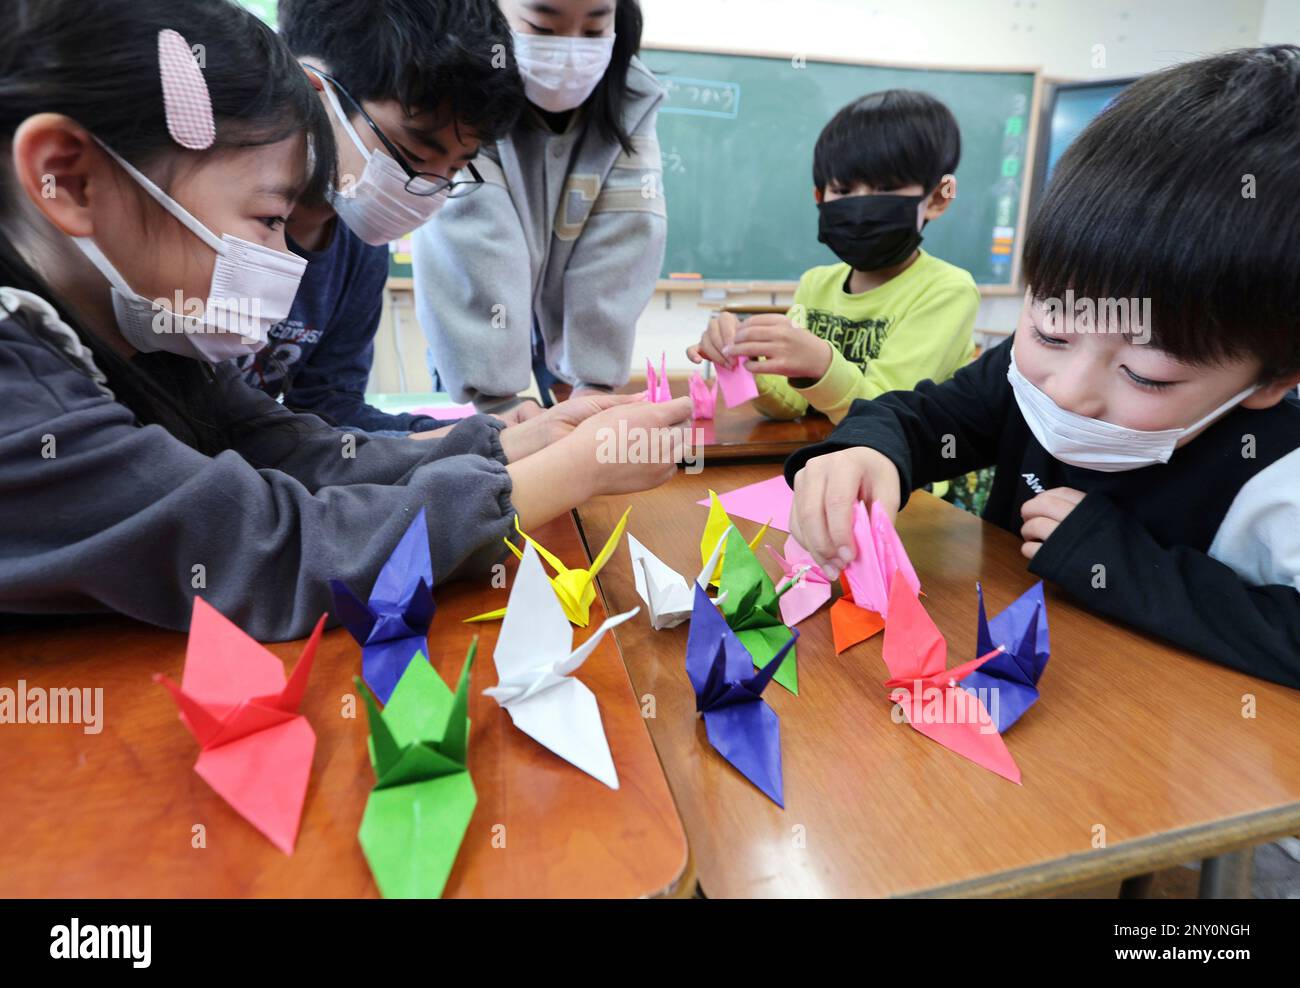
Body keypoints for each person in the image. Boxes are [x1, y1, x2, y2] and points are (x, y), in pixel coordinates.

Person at [0, 0, 691, 640]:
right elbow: (263, 547)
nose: (290, 254)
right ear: (72, 178)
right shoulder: (21, 384)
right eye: (271, 219)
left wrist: (511, 444)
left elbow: (292, 446)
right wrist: (569, 470)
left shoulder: (145, 336)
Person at [785, 47, 1300, 688]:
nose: (1068, 391)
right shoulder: (1019, 371)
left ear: (1274, 380)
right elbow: (918, 417)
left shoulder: (1280, 475)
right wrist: (869, 455)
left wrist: (1117, 563)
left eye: (1146, 375)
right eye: (1051, 329)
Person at [236, 0, 527, 434]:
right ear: (315, 90)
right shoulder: (213, 218)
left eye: (453, 171)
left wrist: (477, 435)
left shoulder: (358, 241)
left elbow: (328, 409)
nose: (427, 190)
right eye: (412, 156)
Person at [412, 0, 667, 416]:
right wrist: (497, 401)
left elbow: (625, 233)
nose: (570, 51)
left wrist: (594, 381)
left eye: (593, 30)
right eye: (543, 28)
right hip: (472, 340)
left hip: (569, 334)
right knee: (491, 448)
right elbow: (477, 237)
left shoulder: (631, 100)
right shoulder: (457, 86)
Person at [689, 90, 978, 426]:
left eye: (886, 189)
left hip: (907, 473)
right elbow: (791, 404)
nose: (860, 207)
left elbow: (890, 417)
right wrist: (745, 360)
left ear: (937, 200)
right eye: (842, 191)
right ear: (820, 197)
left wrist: (821, 364)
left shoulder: (947, 291)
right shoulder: (816, 283)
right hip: (823, 460)